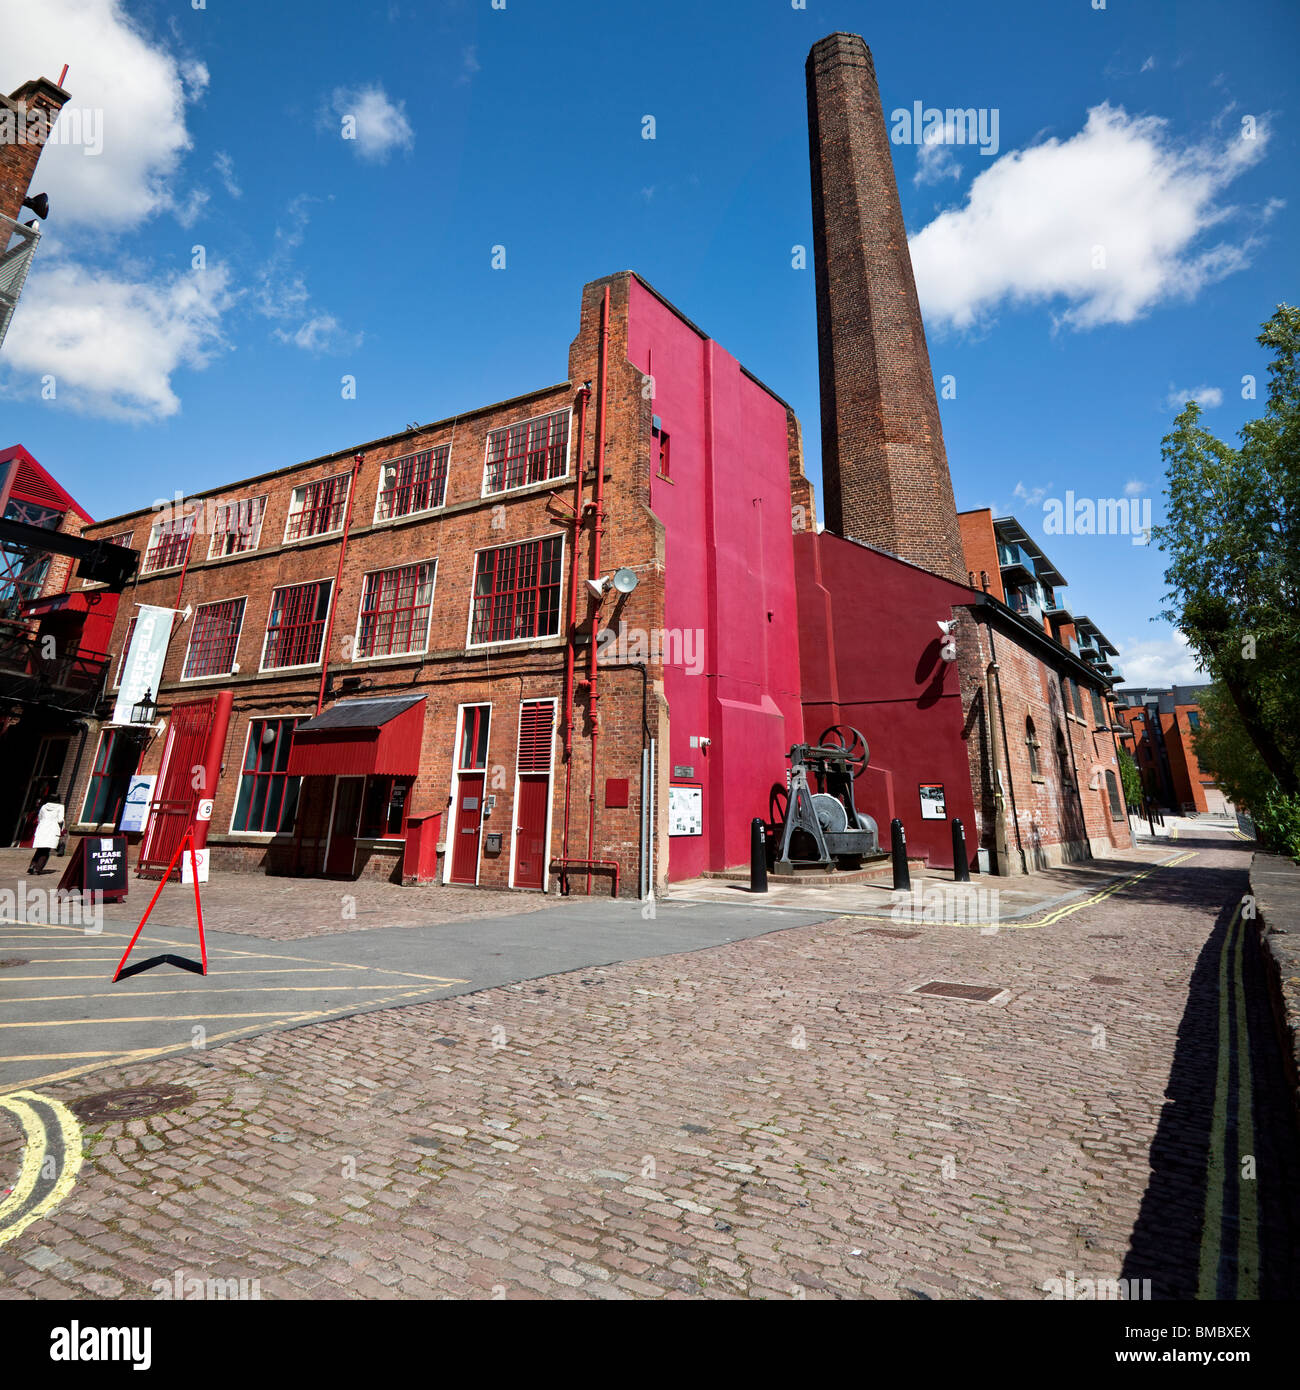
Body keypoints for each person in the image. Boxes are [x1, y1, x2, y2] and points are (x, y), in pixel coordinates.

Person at [27, 789, 65, 875]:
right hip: (52, 829)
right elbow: (60, 820)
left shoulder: (44, 807)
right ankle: (38, 869)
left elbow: (40, 818)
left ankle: (32, 866)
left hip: (42, 828)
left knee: (39, 849)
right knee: (46, 851)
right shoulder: (60, 807)